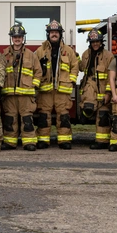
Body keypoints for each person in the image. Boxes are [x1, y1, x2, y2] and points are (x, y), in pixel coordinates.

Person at [32, 20, 79, 150]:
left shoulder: (68, 51)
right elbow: (34, 67)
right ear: (48, 34)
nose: (54, 34)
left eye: (56, 32)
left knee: (63, 115)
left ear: (60, 34)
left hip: (62, 90)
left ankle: (64, 141)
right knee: (44, 116)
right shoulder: (40, 51)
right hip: (45, 89)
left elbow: (75, 66)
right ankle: (43, 140)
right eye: (52, 32)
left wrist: (71, 80)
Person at [1, 24, 42, 151]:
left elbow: (38, 72)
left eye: (19, 36)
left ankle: (29, 142)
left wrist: (33, 85)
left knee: (27, 119)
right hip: (9, 95)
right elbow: (0, 72)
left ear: (23, 38)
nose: (17, 39)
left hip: (26, 95)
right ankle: (10, 142)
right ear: (11, 38)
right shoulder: (5, 54)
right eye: (15, 37)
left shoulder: (31, 55)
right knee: (10, 119)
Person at [79, 30, 114, 150]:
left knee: (103, 116)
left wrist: (109, 93)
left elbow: (112, 76)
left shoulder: (108, 56)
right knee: (88, 108)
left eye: (97, 41)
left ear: (101, 42)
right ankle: (86, 114)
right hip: (89, 90)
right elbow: (81, 68)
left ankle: (102, 141)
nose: (95, 44)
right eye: (93, 42)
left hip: (103, 91)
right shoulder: (85, 54)